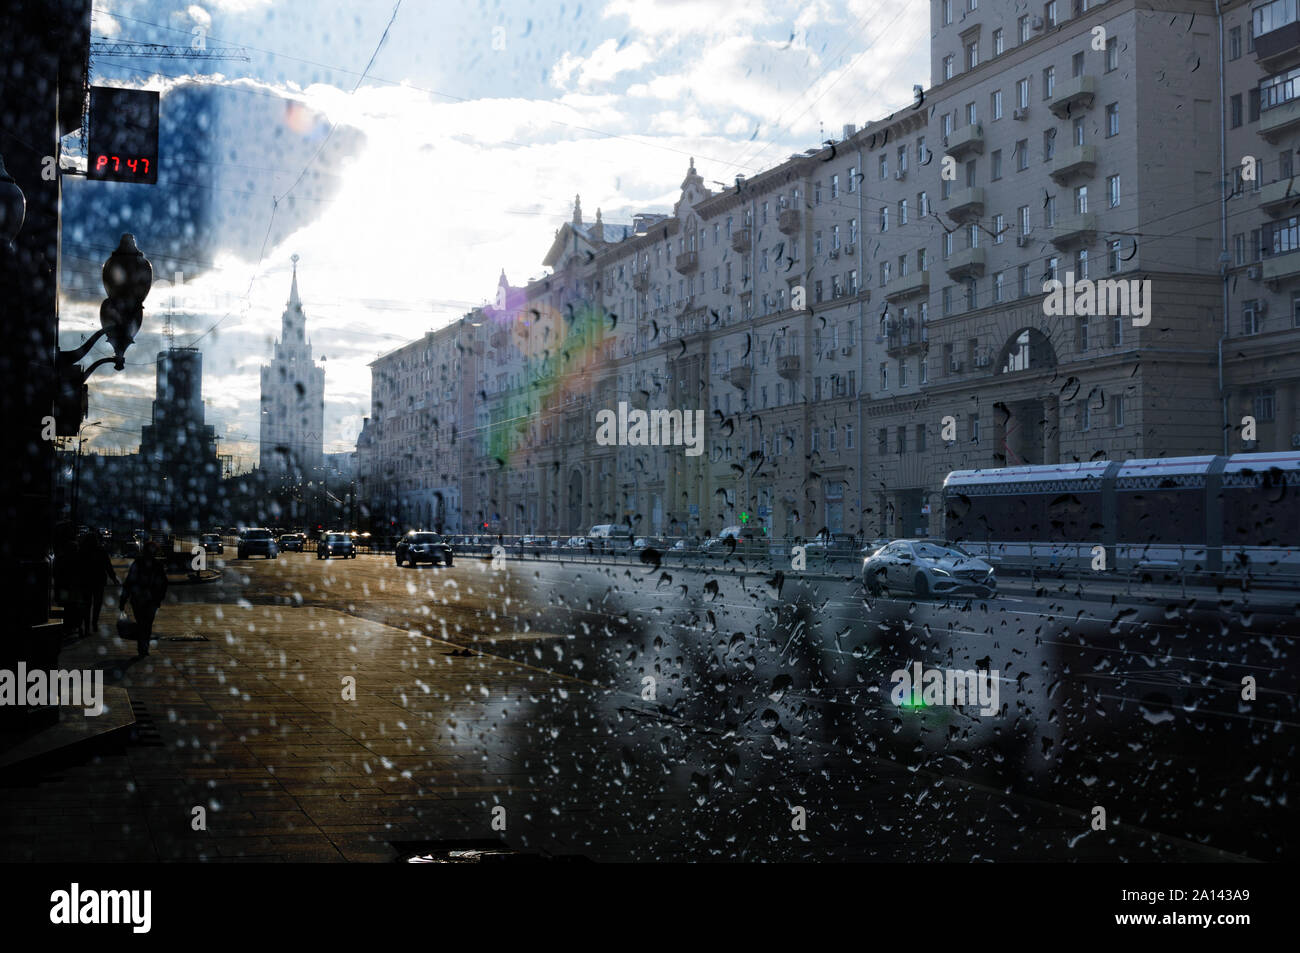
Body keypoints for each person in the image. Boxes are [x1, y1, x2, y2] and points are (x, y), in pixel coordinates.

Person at [121, 541, 168, 656]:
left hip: (137, 599)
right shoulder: (157, 565)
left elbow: (129, 582)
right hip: (152, 600)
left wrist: (123, 599)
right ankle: (144, 646)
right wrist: (159, 598)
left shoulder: (137, 563)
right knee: (147, 624)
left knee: (141, 622)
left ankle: (141, 646)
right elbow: (163, 583)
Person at [80, 533, 119, 635]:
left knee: (87, 605)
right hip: (98, 581)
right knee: (97, 603)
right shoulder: (101, 551)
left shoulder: (82, 551)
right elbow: (108, 566)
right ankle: (94, 623)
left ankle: (87, 626)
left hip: (86, 581)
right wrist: (114, 578)